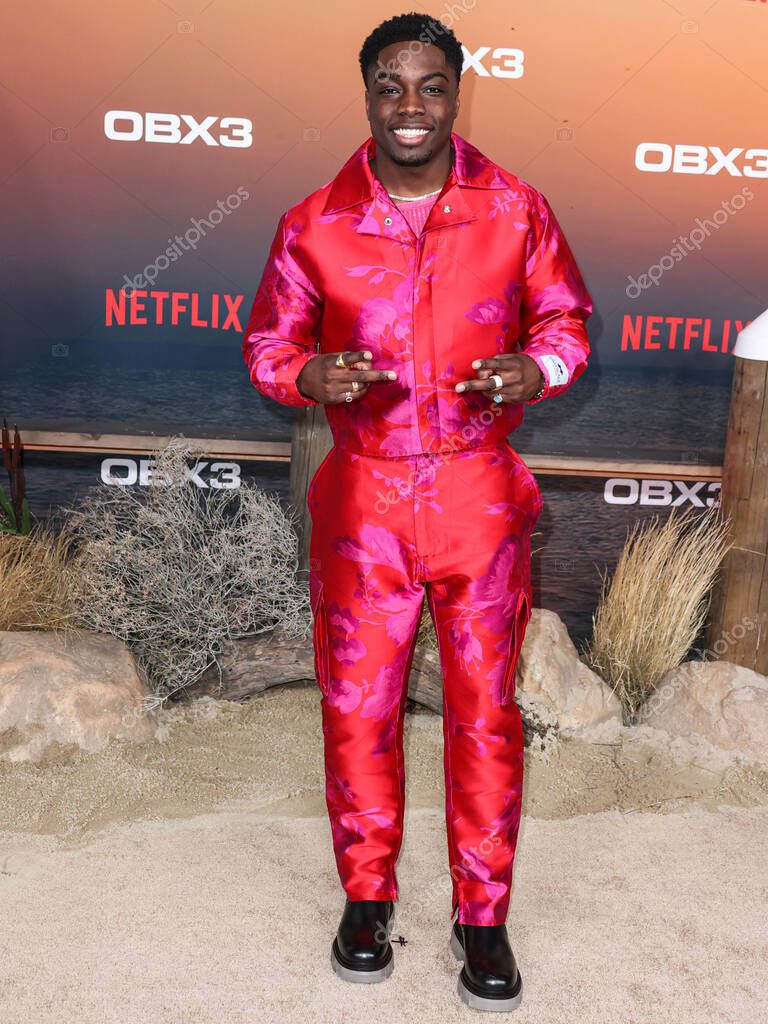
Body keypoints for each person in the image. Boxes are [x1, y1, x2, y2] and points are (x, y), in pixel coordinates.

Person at [242, 12, 592, 1013]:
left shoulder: (517, 209)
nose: (410, 106)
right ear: (368, 95)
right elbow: (268, 346)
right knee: (359, 710)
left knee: (485, 715)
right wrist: (312, 372)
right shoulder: (315, 221)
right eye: (390, 86)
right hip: (364, 499)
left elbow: (564, 320)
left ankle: (483, 917)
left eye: (430, 86)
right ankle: (366, 897)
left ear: (456, 94)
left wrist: (539, 365)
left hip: (479, 493)